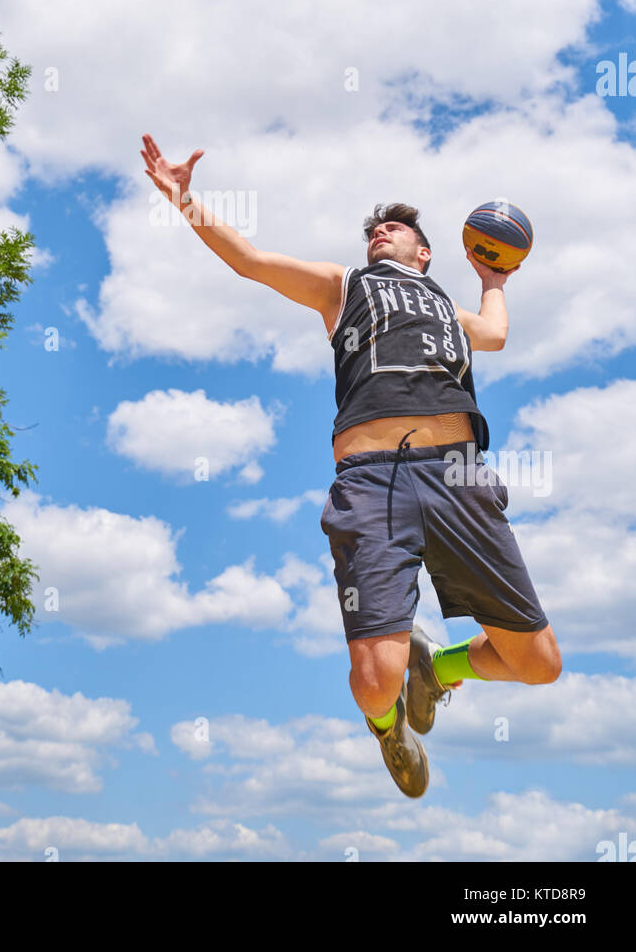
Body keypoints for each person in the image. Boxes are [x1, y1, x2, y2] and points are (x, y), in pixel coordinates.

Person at [141, 134, 561, 798]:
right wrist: (185, 201)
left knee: (538, 664)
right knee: (372, 684)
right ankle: (389, 727)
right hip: (373, 483)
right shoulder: (344, 287)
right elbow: (251, 261)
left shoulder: (449, 310)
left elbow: (497, 333)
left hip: (457, 478)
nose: (378, 232)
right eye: (372, 230)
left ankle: (440, 666)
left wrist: (494, 281)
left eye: (393, 227)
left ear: (425, 252)